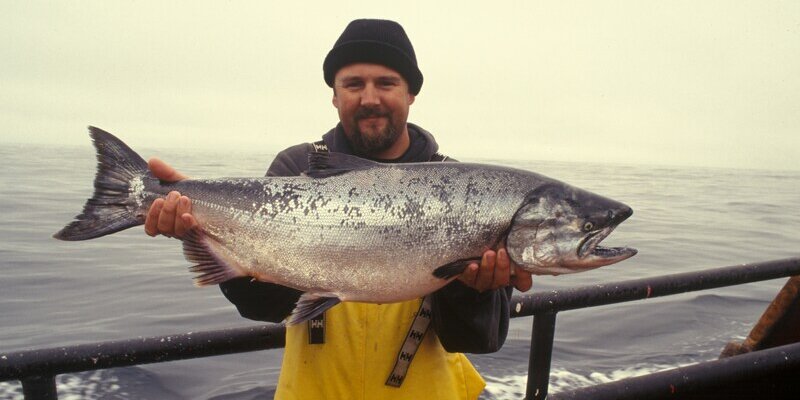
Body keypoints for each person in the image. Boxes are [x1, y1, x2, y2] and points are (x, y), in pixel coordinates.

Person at [144, 19, 533, 400]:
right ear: (334, 94)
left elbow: (478, 341)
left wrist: (474, 291)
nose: (369, 98)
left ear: (411, 93)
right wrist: (198, 225)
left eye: (386, 82)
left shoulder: (461, 187)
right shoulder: (295, 170)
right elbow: (258, 306)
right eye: (353, 84)